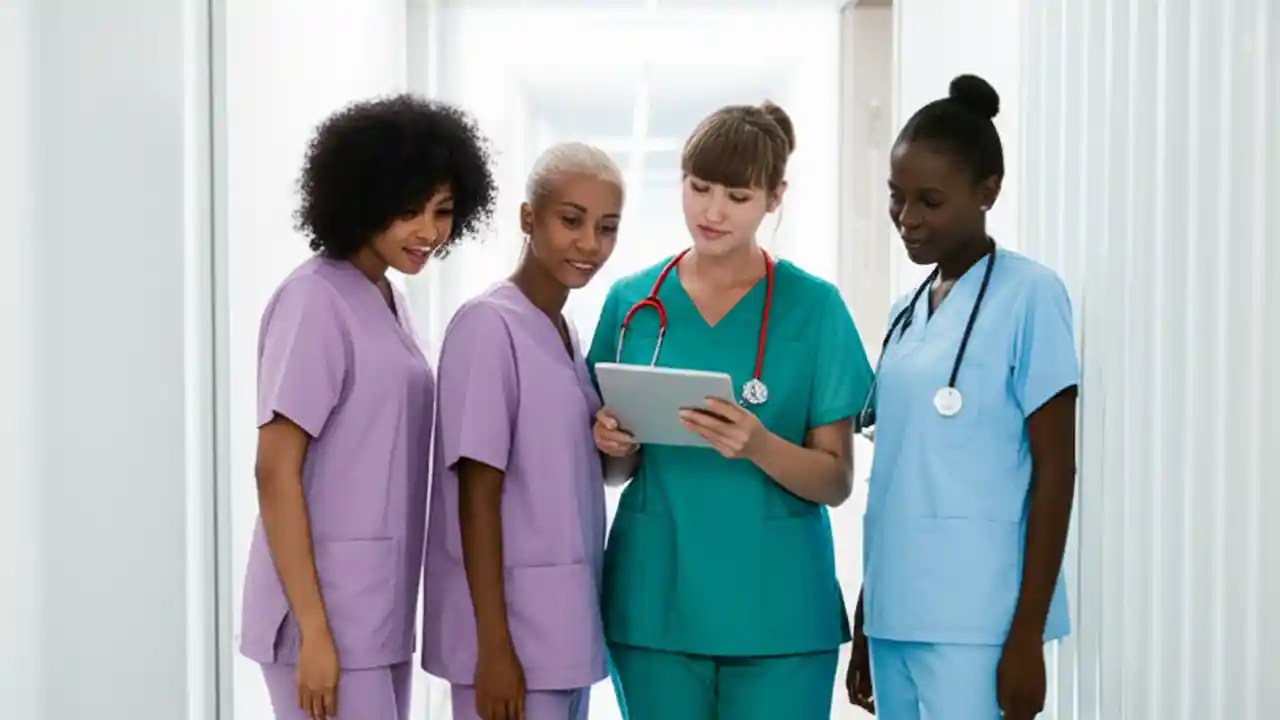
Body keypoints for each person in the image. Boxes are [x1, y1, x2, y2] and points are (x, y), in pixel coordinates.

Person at [587, 101, 875, 719]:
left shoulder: (814, 308)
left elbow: (836, 480)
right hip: (657, 603)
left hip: (777, 613)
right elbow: (614, 474)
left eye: (738, 196)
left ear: (775, 198)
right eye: (699, 188)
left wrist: (758, 444)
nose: (712, 211)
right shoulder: (633, 302)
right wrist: (615, 446)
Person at [239, 95, 496, 720]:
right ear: (360, 202)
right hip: (322, 620)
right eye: (408, 212)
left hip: (376, 613)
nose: (429, 232)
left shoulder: (385, 297)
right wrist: (316, 634)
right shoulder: (314, 301)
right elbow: (274, 470)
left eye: (441, 212)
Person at [844, 75, 1079, 720]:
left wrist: (1027, 634)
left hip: (981, 620)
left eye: (929, 201)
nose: (907, 218)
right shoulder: (903, 313)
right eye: (896, 198)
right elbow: (897, 476)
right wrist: (869, 615)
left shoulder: (1031, 295)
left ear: (986, 193)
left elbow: (1057, 470)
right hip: (897, 615)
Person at [421, 142, 625, 720]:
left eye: (607, 228)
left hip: (561, 633)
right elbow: (476, 495)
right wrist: (495, 649)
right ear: (528, 218)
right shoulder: (488, 327)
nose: (590, 244)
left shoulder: (566, 333)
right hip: (509, 643)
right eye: (571, 220)